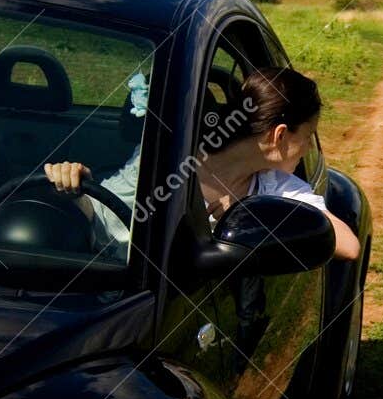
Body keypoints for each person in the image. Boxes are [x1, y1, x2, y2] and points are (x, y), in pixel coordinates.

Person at [43, 65, 360, 261]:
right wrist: (75, 187)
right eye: (307, 137)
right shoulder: (167, 156)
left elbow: (348, 246)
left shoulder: (275, 187)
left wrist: (248, 218)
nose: (308, 150)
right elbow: (103, 219)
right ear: (280, 136)